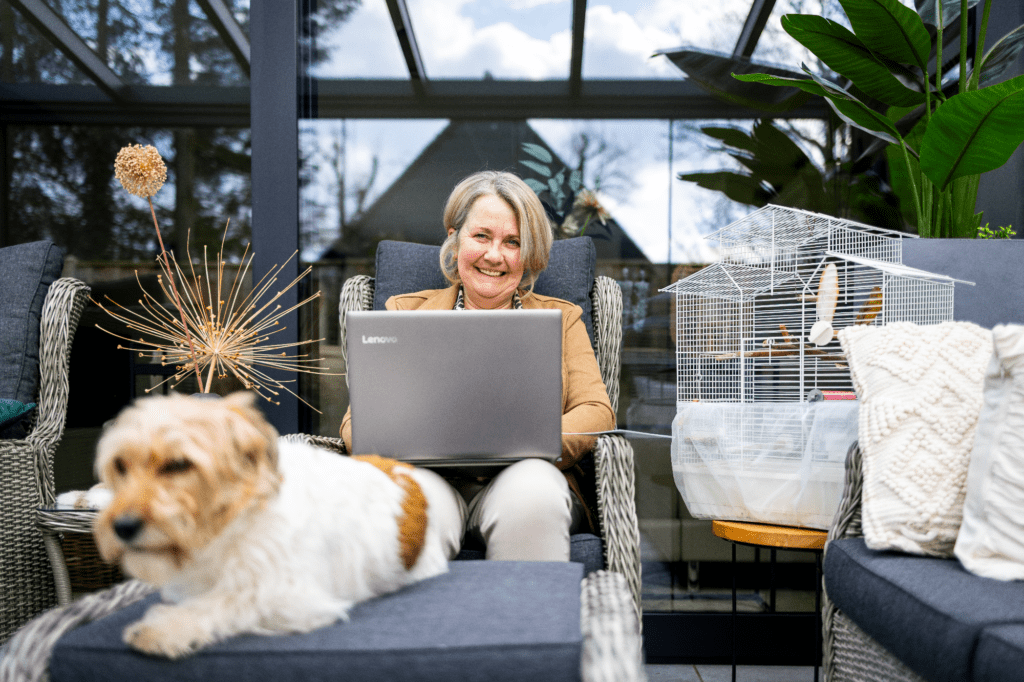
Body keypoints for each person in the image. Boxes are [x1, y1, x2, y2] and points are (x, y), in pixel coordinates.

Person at [340, 170, 615, 562]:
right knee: (408, 506)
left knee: (534, 497)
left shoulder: (563, 318)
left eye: (512, 242)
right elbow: (358, 424)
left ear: (530, 252)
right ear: (455, 237)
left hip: (526, 472)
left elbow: (596, 412)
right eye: (481, 236)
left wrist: (527, 441)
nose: (494, 255)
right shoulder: (405, 312)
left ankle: (523, 624)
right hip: (431, 476)